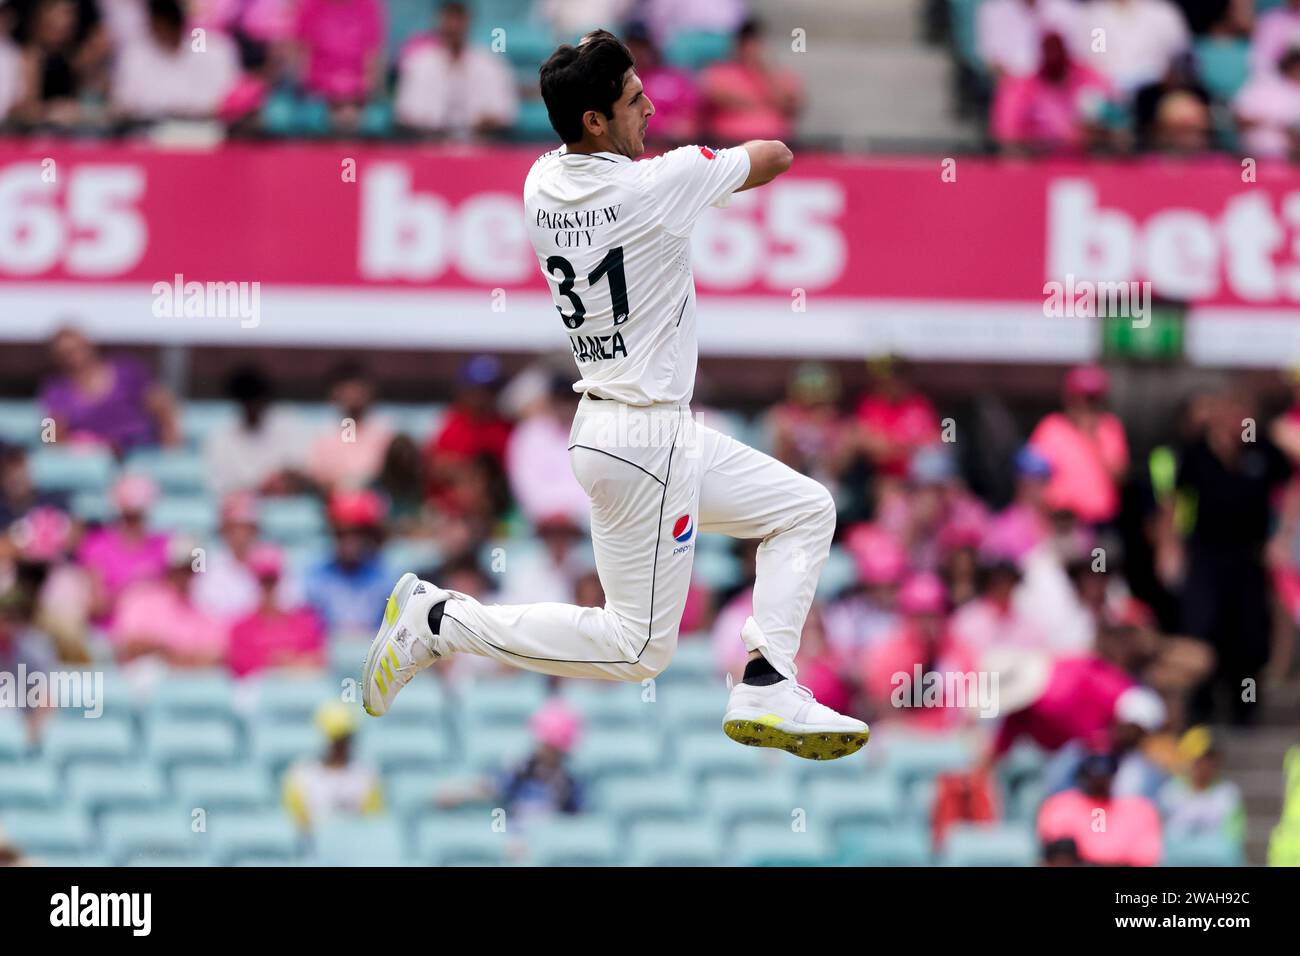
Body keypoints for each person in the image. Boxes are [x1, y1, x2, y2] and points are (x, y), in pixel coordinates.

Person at [362, 30, 869, 761]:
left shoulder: (541, 184)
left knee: (805, 509)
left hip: (627, 429)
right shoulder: (654, 186)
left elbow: (601, 154)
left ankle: (766, 676)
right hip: (645, 441)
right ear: (595, 120)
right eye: (634, 99)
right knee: (637, 650)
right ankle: (441, 620)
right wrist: (693, 163)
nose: (652, 106)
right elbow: (777, 154)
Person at [40, 326, 180, 454]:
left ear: (90, 345)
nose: (73, 357)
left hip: (142, 451)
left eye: (78, 349)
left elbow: (163, 407)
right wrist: (80, 447)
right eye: (65, 353)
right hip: (94, 460)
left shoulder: (127, 370)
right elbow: (49, 436)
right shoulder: (55, 390)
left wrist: (170, 450)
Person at [394, 0, 518, 137]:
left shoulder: (491, 64)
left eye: (459, 19)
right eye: (449, 19)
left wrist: (486, 122)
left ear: (469, 22)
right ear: (439, 22)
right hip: (428, 147)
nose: (454, 26)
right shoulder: (418, 64)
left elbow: (505, 115)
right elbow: (405, 116)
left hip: (480, 148)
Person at [1027, 364, 1128, 526]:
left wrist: (1092, 437)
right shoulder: (1051, 427)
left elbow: (1119, 478)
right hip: (1059, 522)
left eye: (1091, 399)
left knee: (1101, 552)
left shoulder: (1110, 428)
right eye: (1079, 397)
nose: (1084, 405)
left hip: (1099, 523)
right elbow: (1031, 476)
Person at [110, 0, 240, 121]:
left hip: (207, 130)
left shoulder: (214, 49)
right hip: (148, 133)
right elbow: (124, 104)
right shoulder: (135, 54)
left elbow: (228, 101)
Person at [992, 32, 1112, 152]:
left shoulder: (1089, 79)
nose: (1053, 57)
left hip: (1085, 157)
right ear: (1041, 54)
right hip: (1039, 159)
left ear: (1066, 52)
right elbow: (1007, 133)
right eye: (1049, 52)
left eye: (1057, 51)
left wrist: (1091, 131)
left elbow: (1112, 118)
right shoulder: (1022, 89)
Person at [1037, 751, 1163, 866]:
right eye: (1094, 772)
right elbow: (1057, 853)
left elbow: (1146, 857)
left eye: (1105, 773)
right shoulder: (1061, 804)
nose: (1100, 779)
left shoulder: (1140, 809)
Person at [204, 365, 311, 496]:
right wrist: (258, 489)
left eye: (257, 401)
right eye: (248, 402)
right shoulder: (221, 436)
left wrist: (281, 481)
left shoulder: (289, 423)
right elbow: (221, 486)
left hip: (288, 501)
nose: (253, 407)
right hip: (242, 506)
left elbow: (301, 469)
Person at [227, 544, 325, 678]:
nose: (268, 588)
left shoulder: (304, 624)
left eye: (272, 581)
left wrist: (287, 663)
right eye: (263, 581)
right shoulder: (241, 629)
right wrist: (279, 662)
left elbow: (318, 660)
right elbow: (241, 668)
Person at [283, 702, 383, 832]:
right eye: (336, 739)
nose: (342, 745)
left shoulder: (366, 775)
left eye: (346, 738)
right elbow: (295, 824)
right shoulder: (301, 775)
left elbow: (373, 822)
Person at [698, 18, 802, 143]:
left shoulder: (780, 75)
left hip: (774, 145)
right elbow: (720, 98)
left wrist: (765, 71)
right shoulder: (719, 73)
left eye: (756, 43)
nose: (751, 49)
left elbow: (789, 105)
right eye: (747, 43)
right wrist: (765, 102)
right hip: (730, 145)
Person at [304, 489, 391, 635]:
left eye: (356, 533)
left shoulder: (384, 579)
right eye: (341, 533)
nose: (349, 541)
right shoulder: (315, 577)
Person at [1157, 726, 1245, 844]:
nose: (1205, 764)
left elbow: (1234, 838)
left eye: (1210, 757)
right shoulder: (1170, 792)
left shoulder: (1228, 794)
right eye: (1200, 758)